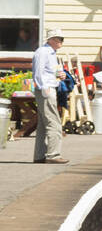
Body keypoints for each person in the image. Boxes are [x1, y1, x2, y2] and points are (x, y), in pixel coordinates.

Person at [32, 27, 69, 164]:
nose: (61, 41)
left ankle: (39, 155)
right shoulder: (43, 52)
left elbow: (49, 72)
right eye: (59, 39)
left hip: (49, 88)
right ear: (52, 39)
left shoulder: (52, 53)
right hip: (46, 90)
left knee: (43, 124)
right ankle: (53, 154)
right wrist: (44, 88)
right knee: (54, 122)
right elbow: (38, 73)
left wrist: (61, 75)